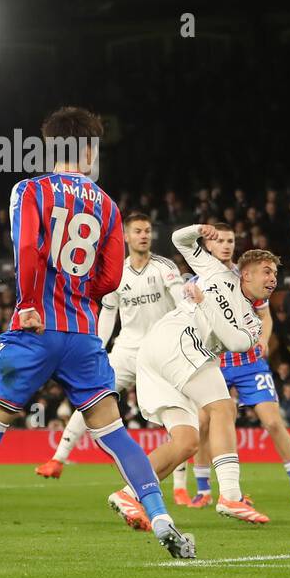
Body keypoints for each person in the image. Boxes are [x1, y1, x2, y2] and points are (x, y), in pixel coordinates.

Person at [0, 106, 194, 561]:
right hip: (83, 335)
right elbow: (110, 278)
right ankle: (160, 515)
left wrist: (28, 305)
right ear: (86, 150)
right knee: (116, 434)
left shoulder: (29, 190)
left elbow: (26, 250)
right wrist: (82, 294)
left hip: (35, 329)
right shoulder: (108, 205)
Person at [108, 224, 275, 529]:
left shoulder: (253, 322)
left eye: (275, 274)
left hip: (164, 355)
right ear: (246, 273)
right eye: (267, 271)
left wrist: (205, 306)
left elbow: (237, 343)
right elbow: (179, 240)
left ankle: (128, 494)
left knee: (186, 442)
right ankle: (231, 496)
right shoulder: (216, 270)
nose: (273, 279)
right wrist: (200, 229)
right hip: (175, 339)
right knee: (223, 407)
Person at [34, 212, 187, 498]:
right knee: (94, 397)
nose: (144, 235)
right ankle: (58, 458)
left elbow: (181, 304)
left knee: (177, 410)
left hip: (162, 350)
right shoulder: (118, 272)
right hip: (126, 350)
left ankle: (180, 487)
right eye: (138, 231)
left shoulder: (165, 267)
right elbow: (108, 312)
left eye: (147, 230)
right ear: (127, 237)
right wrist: (98, 346)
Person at [190, 223, 290, 510]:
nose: (226, 245)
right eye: (220, 241)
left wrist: (264, 339)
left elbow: (265, 316)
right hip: (214, 362)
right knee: (204, 423)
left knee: (272, 421)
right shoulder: (199, 277)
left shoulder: (248, 276)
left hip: (248, 362)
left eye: (231, 240)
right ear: (209, 246)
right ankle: (204, 488)